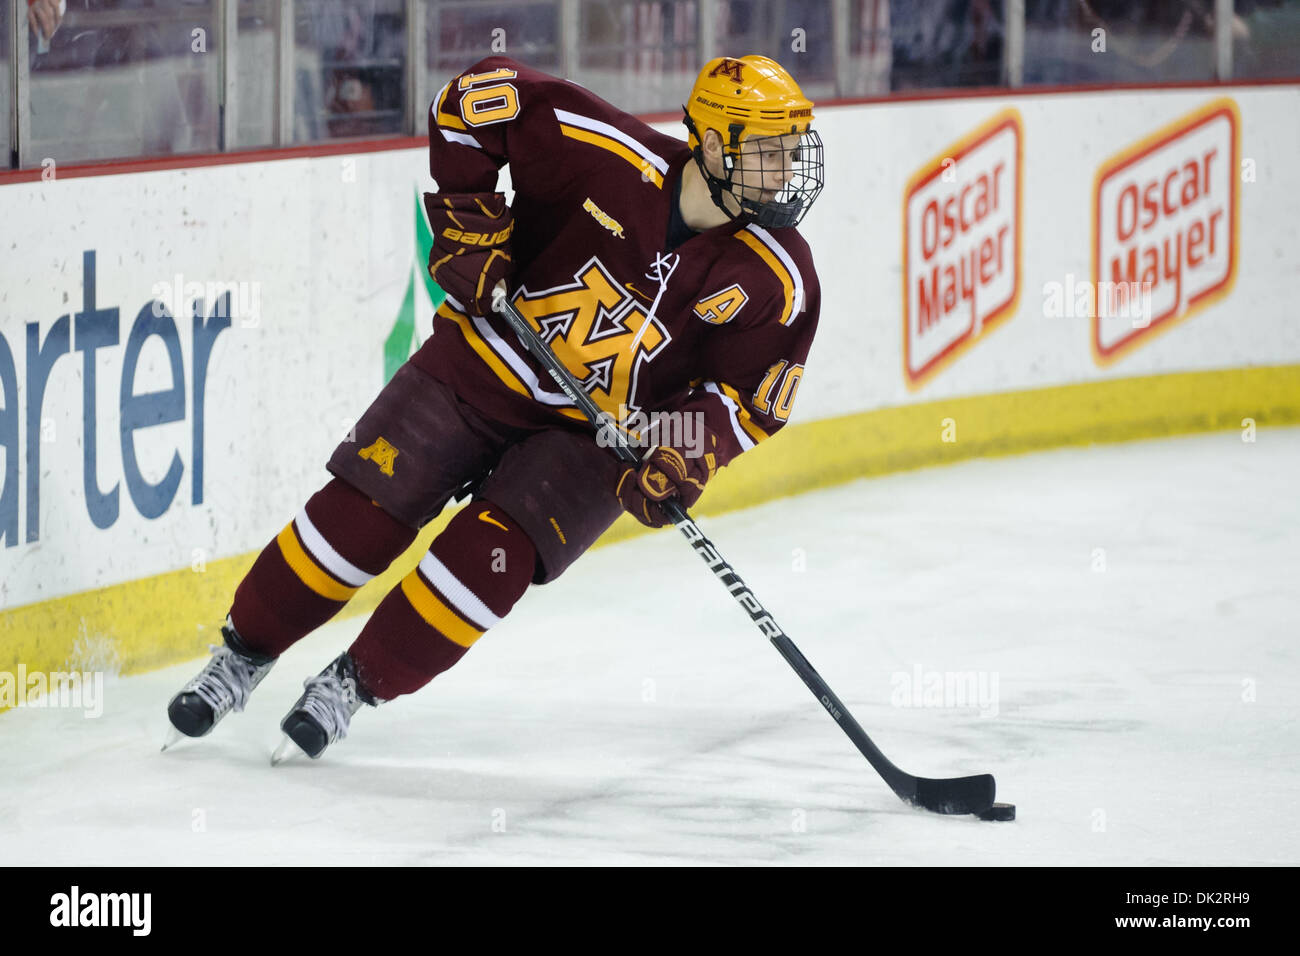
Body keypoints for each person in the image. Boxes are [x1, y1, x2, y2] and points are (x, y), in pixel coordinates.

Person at [165, 54, 824, 761]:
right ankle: (243, 654)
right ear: (716, 145)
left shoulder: (778, 278)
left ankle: (350, 685)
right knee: (358, 520)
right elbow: (470, 104)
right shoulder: (603, 153)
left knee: (490, 561)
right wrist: (469, 223)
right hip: (481, 360)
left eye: (792, 153)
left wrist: (679, 450)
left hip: (597, 438)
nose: (788, 171)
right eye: (771, 152)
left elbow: (745, 404)